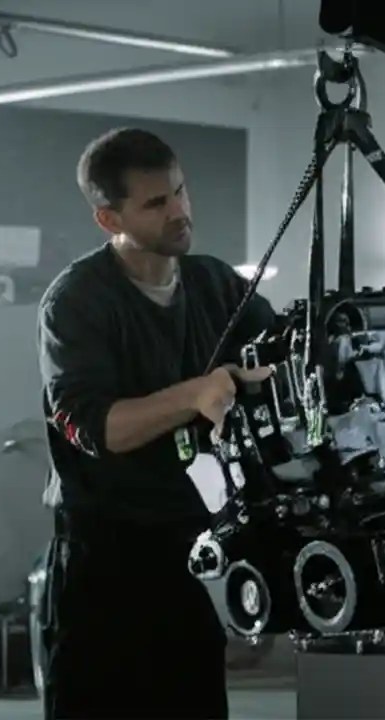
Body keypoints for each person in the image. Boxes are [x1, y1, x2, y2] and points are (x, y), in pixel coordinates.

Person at [36, 127, 277, 719]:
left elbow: (278, 355)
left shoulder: (217, 284)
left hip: (189, 551)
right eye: (155, 203)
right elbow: (101, 430)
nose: (179, 212)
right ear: (107, 218)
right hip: (104, 564)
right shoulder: (76, 302)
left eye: (180, 192)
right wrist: (198, 392)